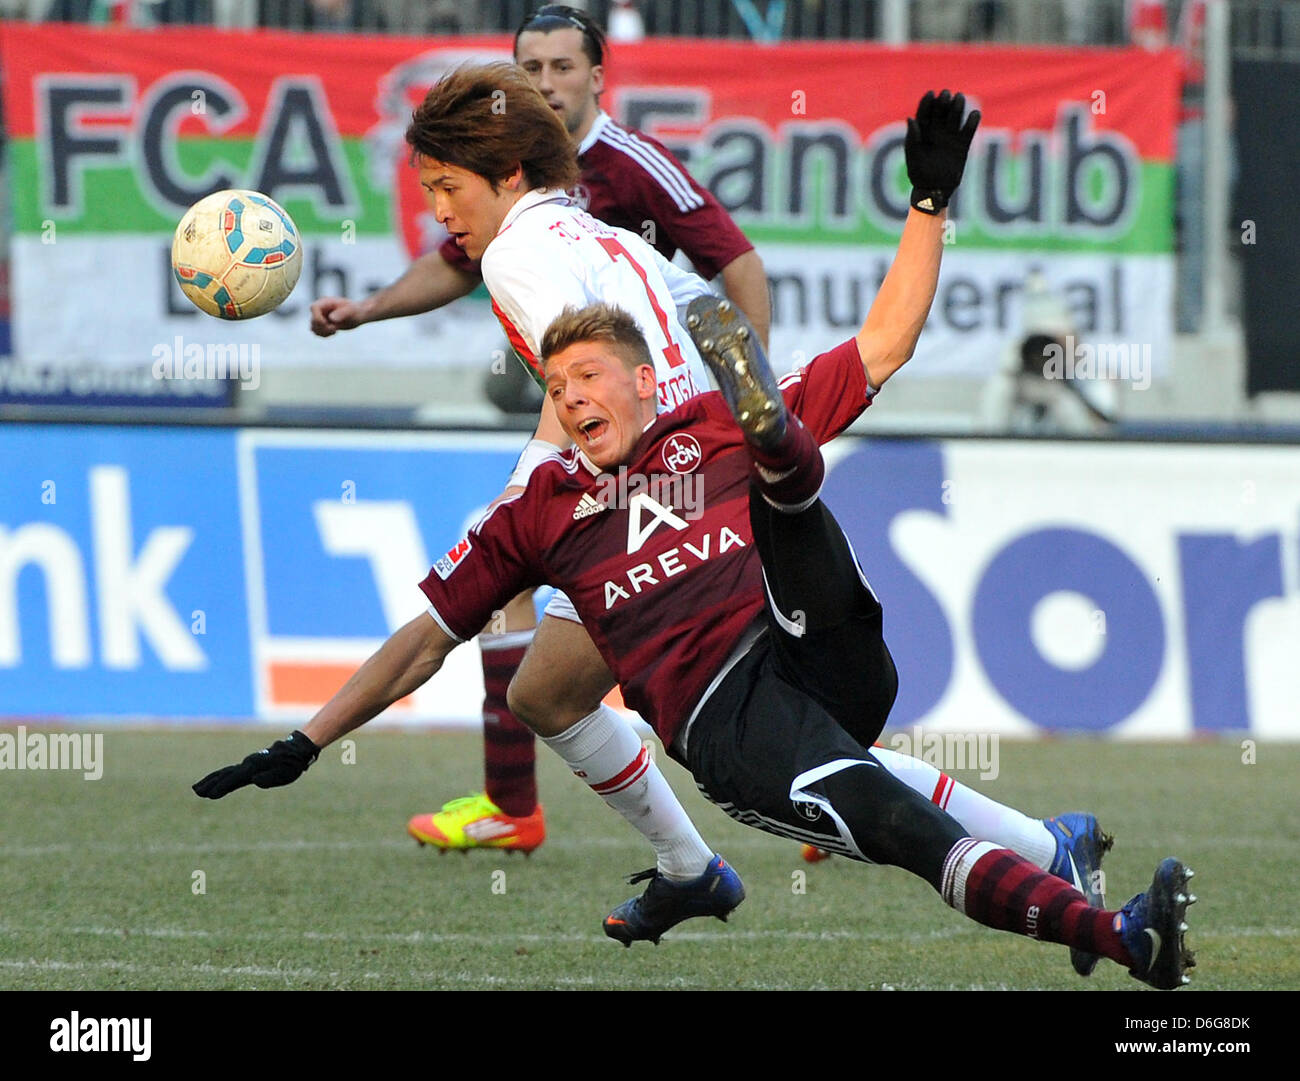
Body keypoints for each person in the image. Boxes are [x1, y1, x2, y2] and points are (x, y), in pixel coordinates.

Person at [194, 93, 1197, 988]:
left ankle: (699, 860)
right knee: (567, 687)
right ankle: (757, 854)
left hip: (680, 539)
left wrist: (537, 496)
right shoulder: (601, 243)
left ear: (506, 174)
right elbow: (733, 316)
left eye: (445, 187)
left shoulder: (522, 259)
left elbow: (592, 379)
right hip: (730, 510)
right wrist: (924, 210)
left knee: (709, 710)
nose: (440, 212)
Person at [310, 6, 770, 856]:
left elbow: (732, 268)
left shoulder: (621, 170)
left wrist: (755, 416)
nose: (545, 82)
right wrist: (369, 310)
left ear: (597, 77)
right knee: (544, 640)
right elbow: (457, 267)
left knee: (714, 700)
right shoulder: (497, 193)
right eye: (530, 67)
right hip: (618, 438)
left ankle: (824, 795)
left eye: (562, 66)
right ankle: (518, 803)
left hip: (670, 451)